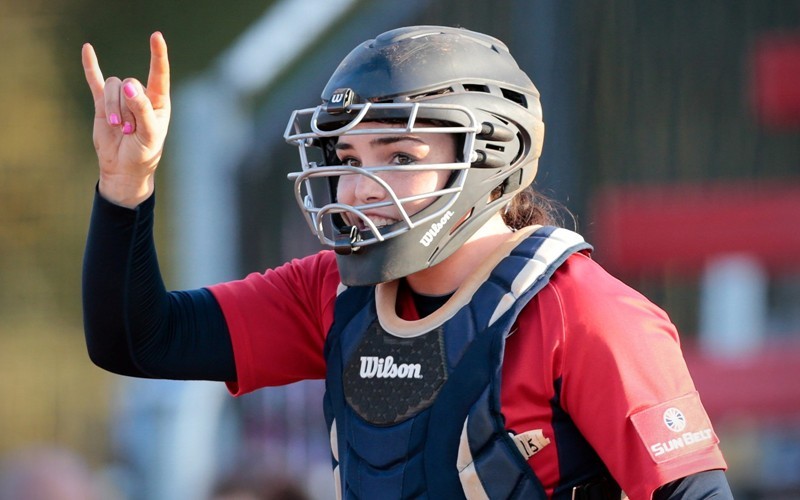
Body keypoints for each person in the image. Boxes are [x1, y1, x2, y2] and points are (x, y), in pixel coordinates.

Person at [81, 26, 733, 499]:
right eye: (349, 159)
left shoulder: (582, 310)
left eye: (398, 156)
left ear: (491, 151)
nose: (361, 188)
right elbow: (140, 340)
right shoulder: (336, 291)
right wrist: (125, 188)